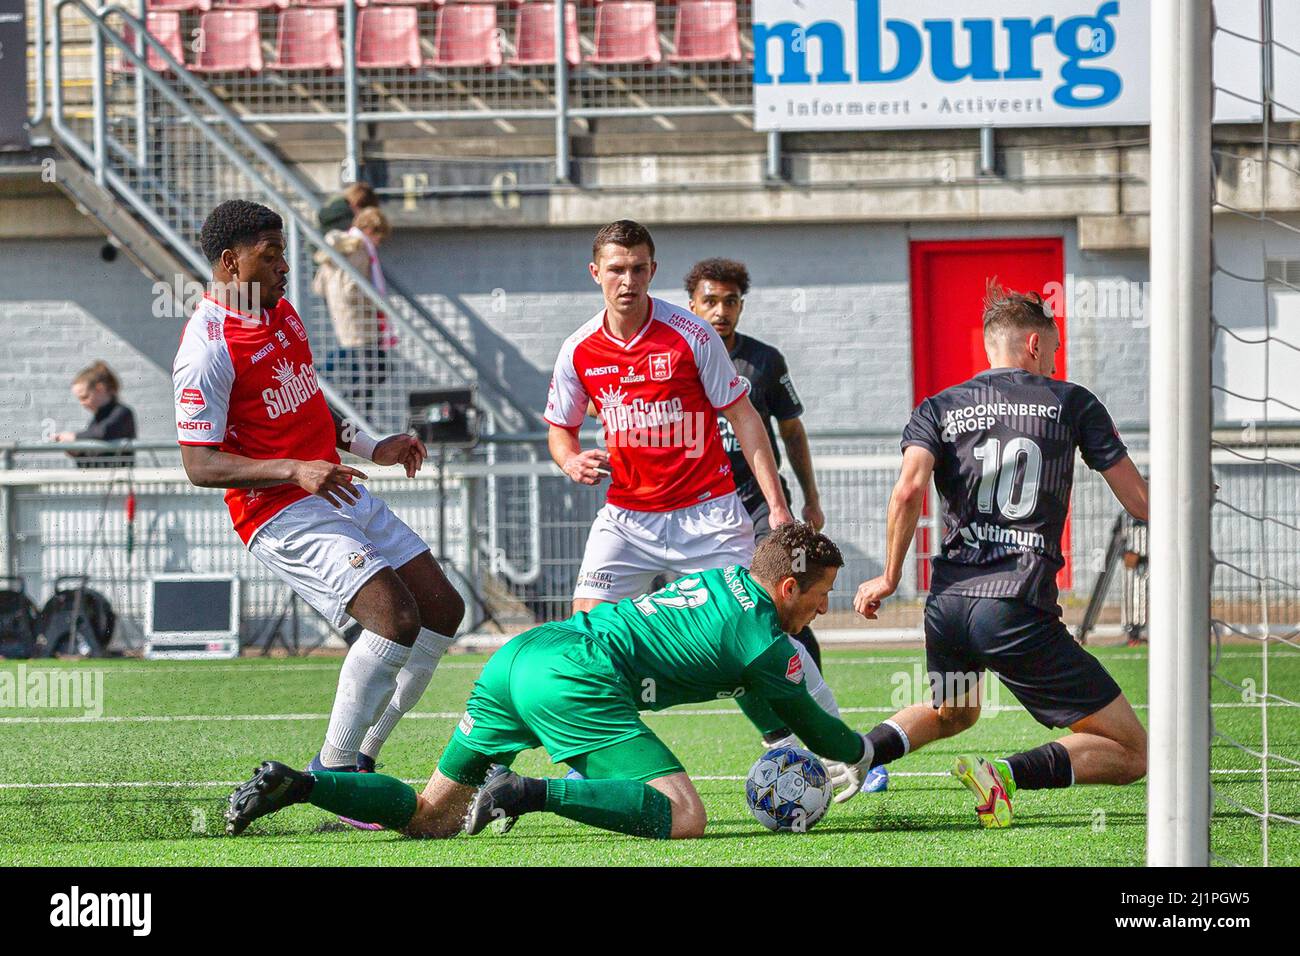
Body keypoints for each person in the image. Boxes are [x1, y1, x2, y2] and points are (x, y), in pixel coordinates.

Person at [225, 523, 875, 840]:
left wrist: (777, 732)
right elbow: (816, 726)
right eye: (821, 595)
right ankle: (530, 791)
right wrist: (865, 752)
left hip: (520, 656)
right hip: (574, 679)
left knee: (433, 819)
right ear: (788, 586)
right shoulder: (766, 640)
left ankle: (301, 783)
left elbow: (755, 692)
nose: (823, 609)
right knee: (685, 817)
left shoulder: (724, 584)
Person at [173, 200, 465, 819]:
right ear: (230, 262)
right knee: (392, 616)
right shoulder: (206, 348)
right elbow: (200, 464)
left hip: (333, 484)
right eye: (270, 255)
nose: (285, 267)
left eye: (284, 252)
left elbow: (308, 403)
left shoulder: (279, 312)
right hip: (278, 510)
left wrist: (371, 444)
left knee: (442, 606)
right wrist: (293, 469)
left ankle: (363, 756)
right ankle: (332, 771)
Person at [852, 280, 1150, 828]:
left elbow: (906, 492)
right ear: (1035, 346)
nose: (1056, 363)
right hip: (1013, 609)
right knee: (1134, 752)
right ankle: (1005, 775)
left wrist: (890, 576)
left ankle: (858, 755)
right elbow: (1141, 503)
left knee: (954, 712)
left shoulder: (938, 407)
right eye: (1055, 351)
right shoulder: (1072, 402)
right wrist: (1192, 499)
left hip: (949, 610)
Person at [685, 258, 825, 666]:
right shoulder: (678, 361)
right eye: (710, 301)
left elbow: (792, 432)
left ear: (741, 306)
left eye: (730, 302)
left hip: (760, 501)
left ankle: (807, 689)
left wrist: (810, 499)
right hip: (699, 505)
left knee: (783, 593)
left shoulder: (764, 361)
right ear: (691, 305)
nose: (720, 311)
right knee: (711, 603)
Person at [312, 208, 388, 420]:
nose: (379, 242)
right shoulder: (360, 249)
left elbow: (318, 285)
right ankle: (352, 415)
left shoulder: (336, 249)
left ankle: (352, 412)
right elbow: (352, 287)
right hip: (360, 320)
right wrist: (375, 302)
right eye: (379, 236)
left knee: (365, 371)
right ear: (372, 229)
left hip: (344, 318)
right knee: (374, 371)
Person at [54, 361, 137, 468]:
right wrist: (77, 453)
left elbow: (103, 432)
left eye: (84, 397)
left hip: (119, 480)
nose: (82, 403)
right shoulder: (97, 418)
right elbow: (94, 454)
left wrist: (74, 437)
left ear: (100, 389)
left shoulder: (123, 412)